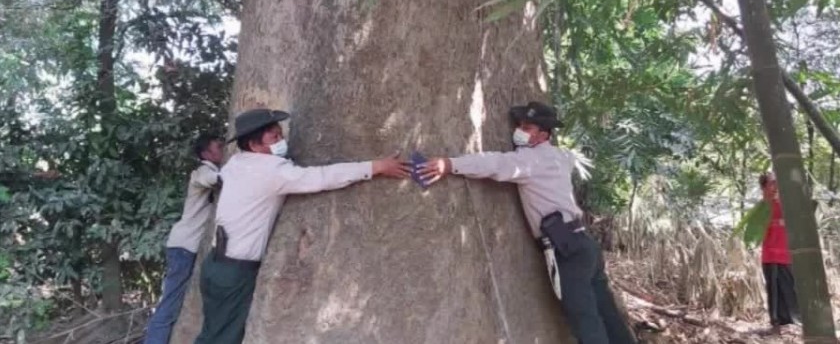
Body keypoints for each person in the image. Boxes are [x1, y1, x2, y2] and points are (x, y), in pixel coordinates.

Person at [419, 101, 636, 344]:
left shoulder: (531, 162)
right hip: (584, 245)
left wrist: (449, 164)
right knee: (606, 312)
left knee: (585, 318)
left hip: (569, 249)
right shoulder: (560, 156)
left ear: (543, 135)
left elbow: (496, 164)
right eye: (520, 125)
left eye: (528, 127)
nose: (520, 130)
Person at [194, 108, 410, 344]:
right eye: (274, 138)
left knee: (212, 333)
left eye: (280, 135)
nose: (281, 141)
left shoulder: (235, 163)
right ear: (255, 146)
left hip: (214, 266)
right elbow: (322, 177)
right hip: (234, 272)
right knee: (223, 338)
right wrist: (375, 167)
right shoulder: (272, 171)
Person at [144, 133, 225, 344]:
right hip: (184, 247)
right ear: (206, 153)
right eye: (219, 146)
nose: (224, 149)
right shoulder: (202, 172)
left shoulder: (211, 169)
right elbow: (217, 179)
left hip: (186, 246)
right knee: (170, 303)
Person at [758, 172, 799, 335]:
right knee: (774, 289)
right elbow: (757, 231)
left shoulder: (786, 205)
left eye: (777, 183)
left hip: (787, 254)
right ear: (764, 187)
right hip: (770, 255)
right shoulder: (761, 207)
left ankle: (792, 320)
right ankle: (776, 321)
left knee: (789, 287)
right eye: (772, 183)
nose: (776, 187)